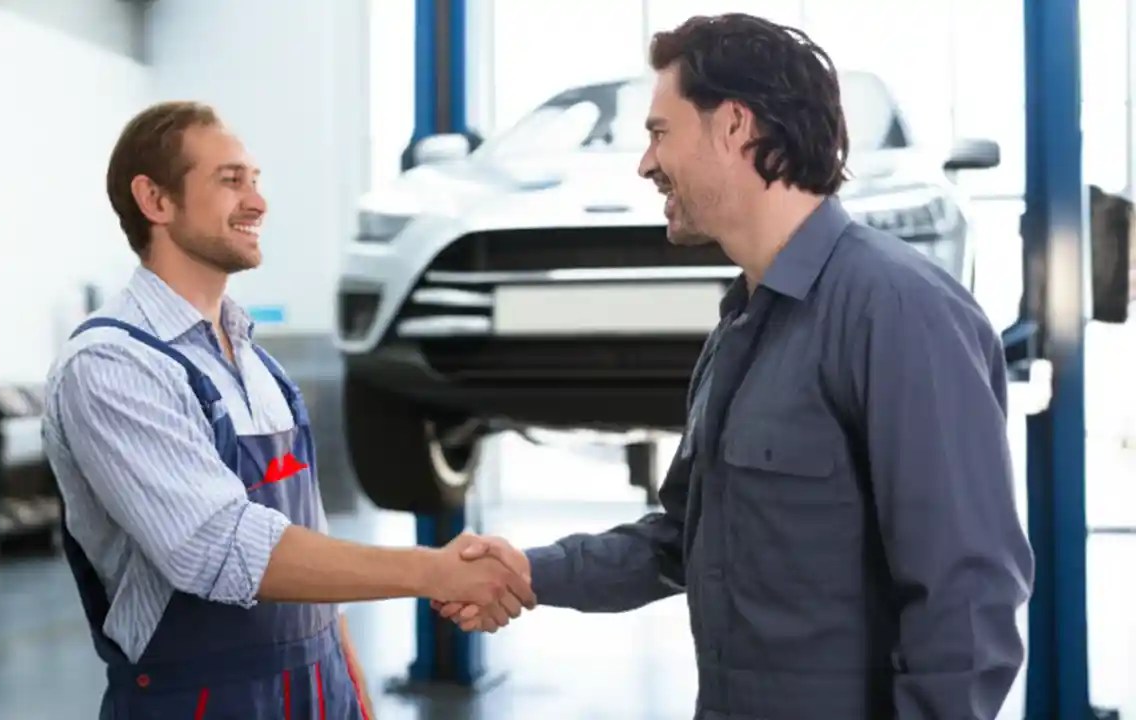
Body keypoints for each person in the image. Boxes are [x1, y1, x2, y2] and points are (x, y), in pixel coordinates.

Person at [436, 13, 1034, 720]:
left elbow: (965, 601)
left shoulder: (900, 312)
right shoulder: (744, 323)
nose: (645, 163)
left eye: (660, 133)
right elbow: (680, 541)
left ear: (735, 127)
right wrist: (529, 571)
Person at [41, 101, 536, 720]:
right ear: (155, 201)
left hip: (318, 689)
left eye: (254, 180)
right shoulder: (111, 366)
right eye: (230, 181)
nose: (258, 202)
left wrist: (355, 697)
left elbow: (315, 564)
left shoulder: (258, 365)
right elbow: (219, 546)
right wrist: (433, 572)